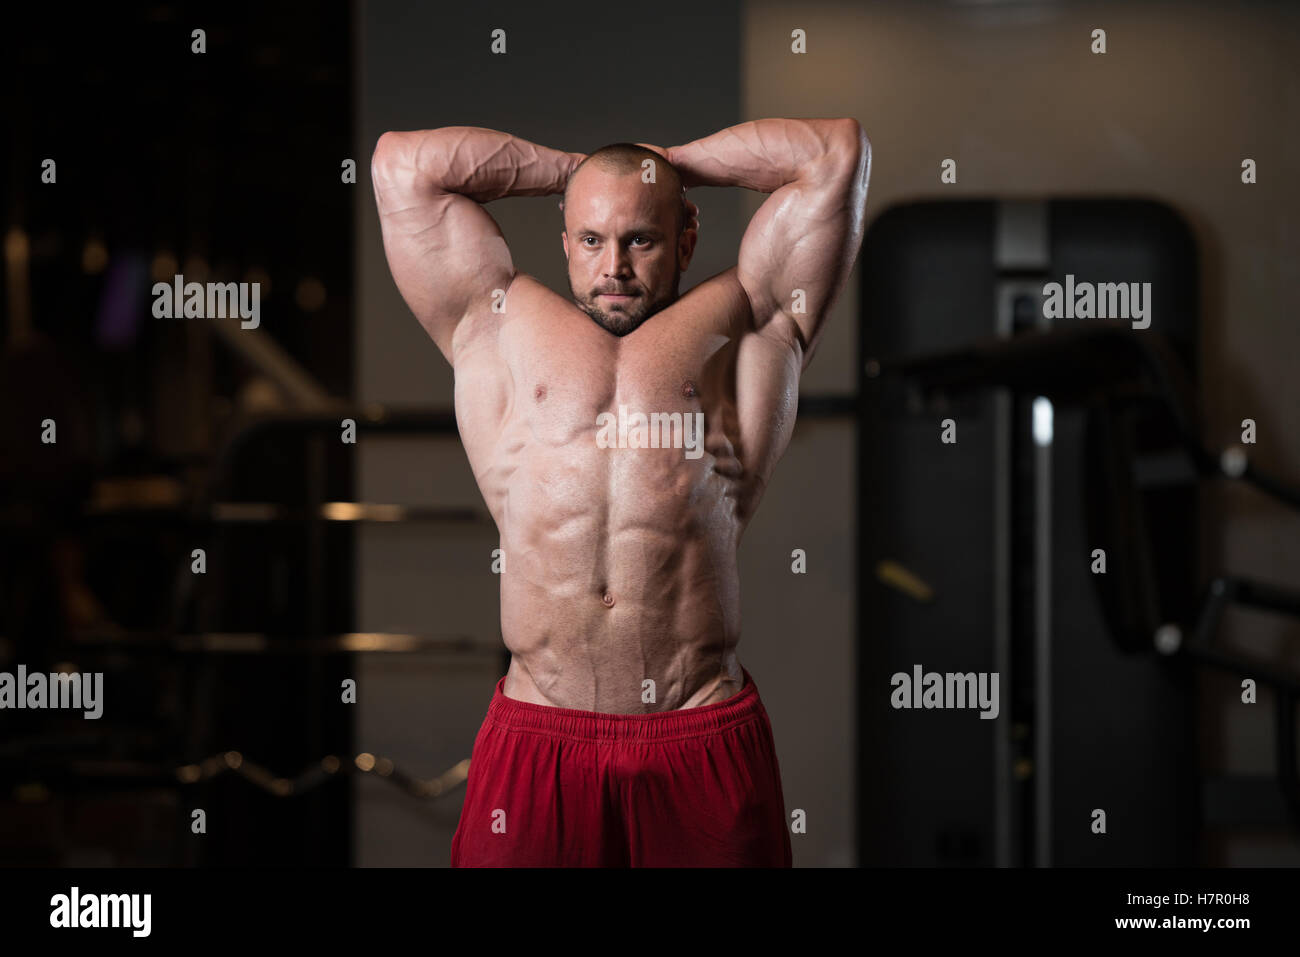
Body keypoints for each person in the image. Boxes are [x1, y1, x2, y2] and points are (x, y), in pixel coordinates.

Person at [371, 118, 870, 866]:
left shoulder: (751, 322)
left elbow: (834, 154)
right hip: (540, 739)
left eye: (641, 238)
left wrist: (666, 166)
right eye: (592, 239)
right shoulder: (495, 320)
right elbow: (401, 165)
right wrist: (578, 168)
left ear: (686, 239)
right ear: (566, 239)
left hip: (697, 733)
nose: (615, 267)